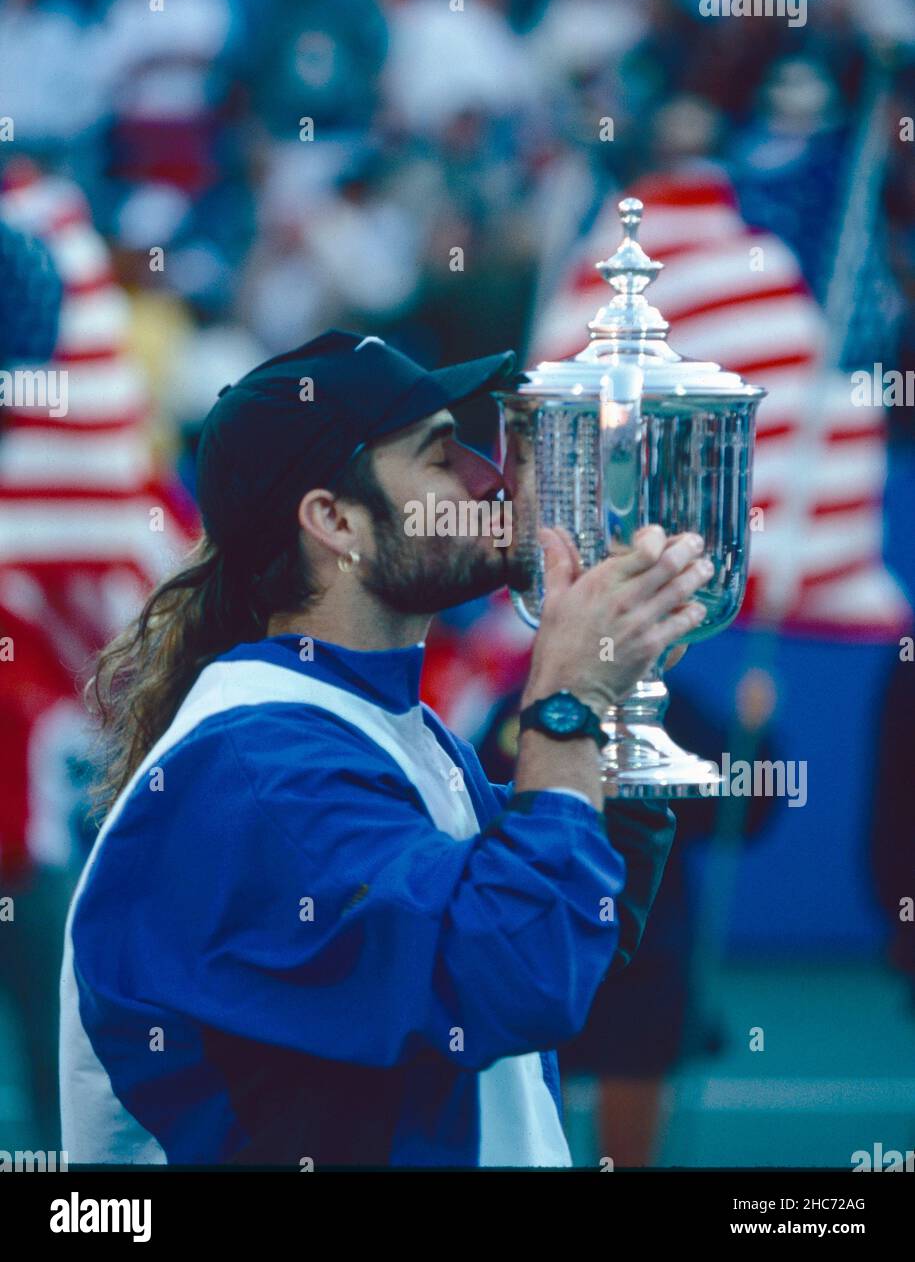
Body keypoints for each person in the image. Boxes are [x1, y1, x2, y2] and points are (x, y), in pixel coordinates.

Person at [59, 329, 711, 1167]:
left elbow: (580, 932)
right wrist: (563, 707)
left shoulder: (362, 722)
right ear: (333, 521)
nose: (490, 477)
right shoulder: (260, 770)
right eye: (441, 455)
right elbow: (520, 969)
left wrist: (614, 708)